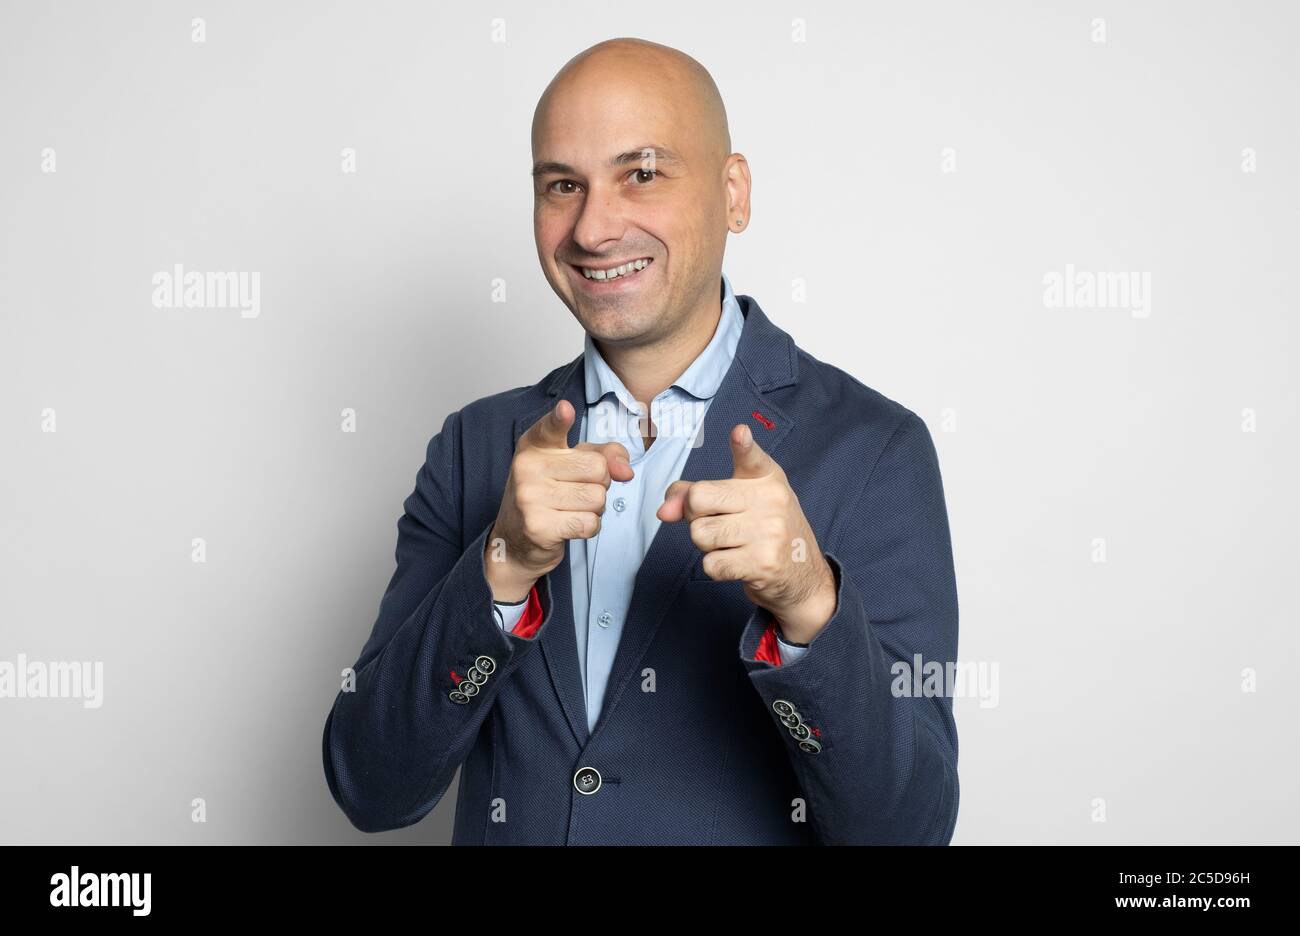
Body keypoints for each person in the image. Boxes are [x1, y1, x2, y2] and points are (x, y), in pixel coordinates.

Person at [322, 37, 959, 845]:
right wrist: (503, 567)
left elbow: (908, 830)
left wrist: (808, 607)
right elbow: (369, 785)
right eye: (562, 185)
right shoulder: (473, 447)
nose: (592, 227)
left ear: (734, 194)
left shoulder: (875, 450)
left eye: (642, 173)